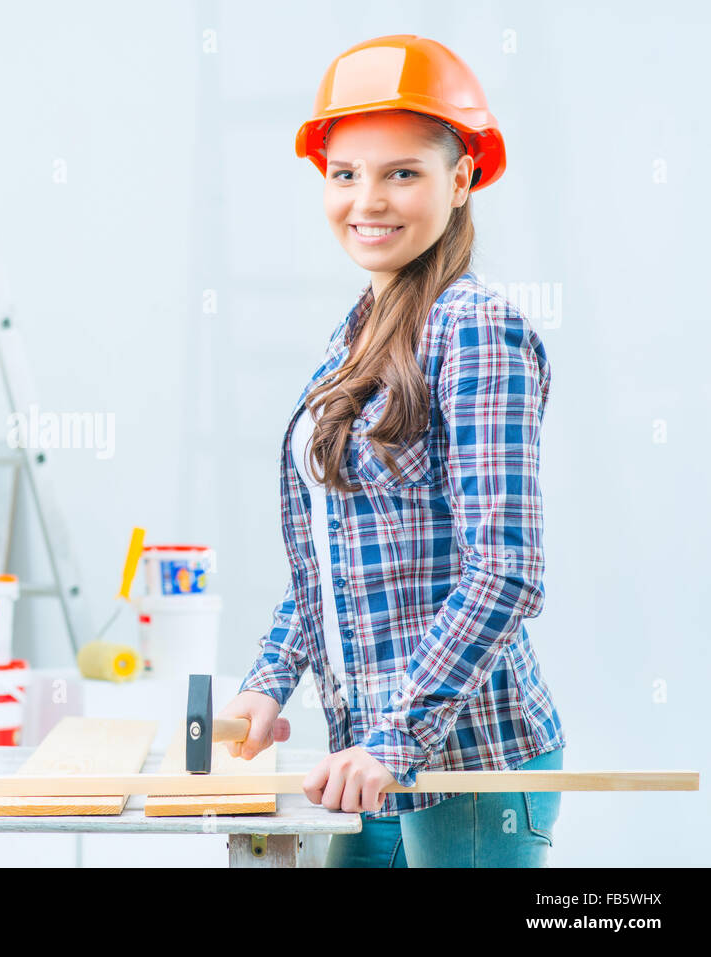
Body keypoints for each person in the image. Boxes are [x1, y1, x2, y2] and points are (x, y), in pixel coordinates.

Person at [218, 35, 567, 867]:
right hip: (363, 760)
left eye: (401, 172)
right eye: (346, 173)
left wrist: (393, 739)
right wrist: (268, 682)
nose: (366, 199)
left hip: (464, 768)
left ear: (462, 177)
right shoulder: (356, 337)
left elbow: (506, 568)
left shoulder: (473, 328)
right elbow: (334, 565)